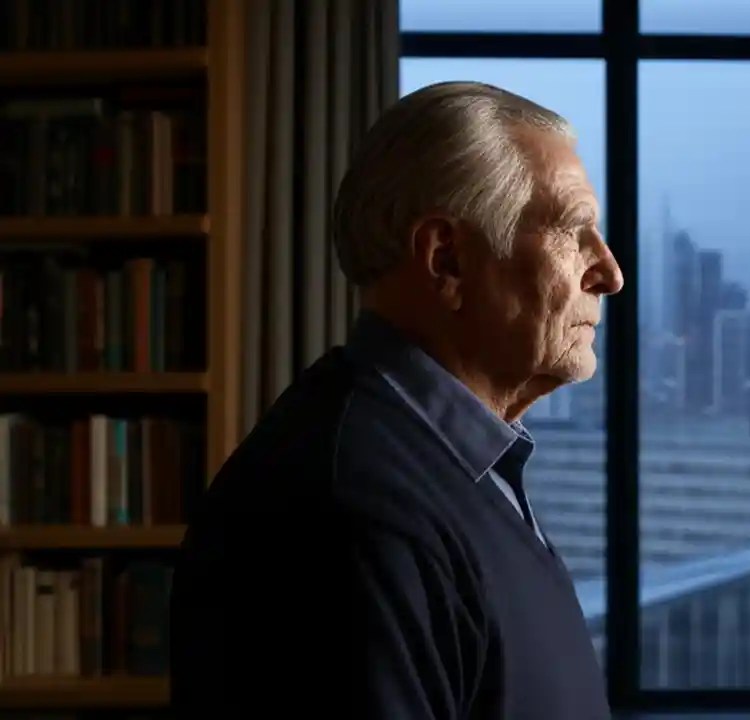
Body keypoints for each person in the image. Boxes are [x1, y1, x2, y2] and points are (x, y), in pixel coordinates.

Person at [169, 81, 624, 718]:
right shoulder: (351, 512)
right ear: (447, 261)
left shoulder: (450, 464)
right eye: (573, 232)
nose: (609, 273)